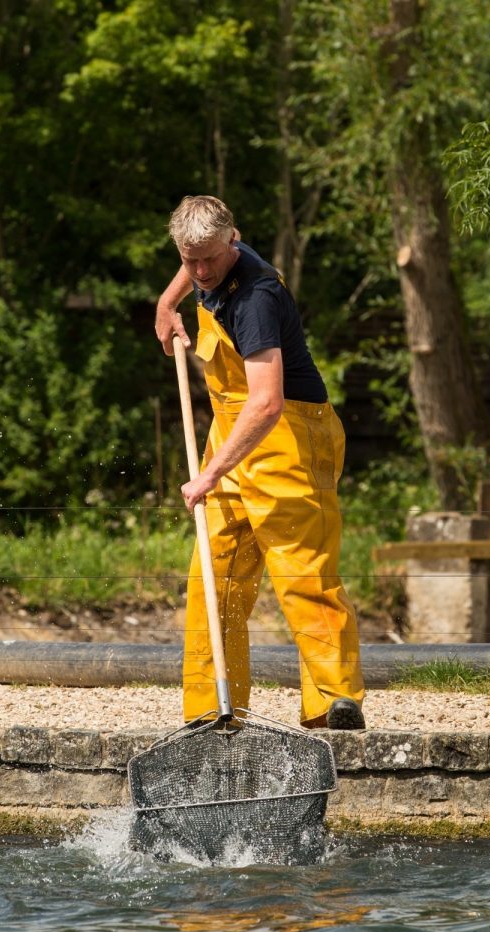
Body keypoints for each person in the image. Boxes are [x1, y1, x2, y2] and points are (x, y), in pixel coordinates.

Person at [155, 194, 365, 730]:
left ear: (235, 240)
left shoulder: (256, 298)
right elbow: (192, 269)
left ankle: (334, 702)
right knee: (213, 569)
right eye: (188, 259)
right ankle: (211, 709)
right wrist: (167, 301)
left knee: (301, 567)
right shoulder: (206, 260)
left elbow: (266, 402)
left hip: (290, 430)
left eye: (209, 259)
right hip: (233, 432)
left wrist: (209, 473)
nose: (199, 271)